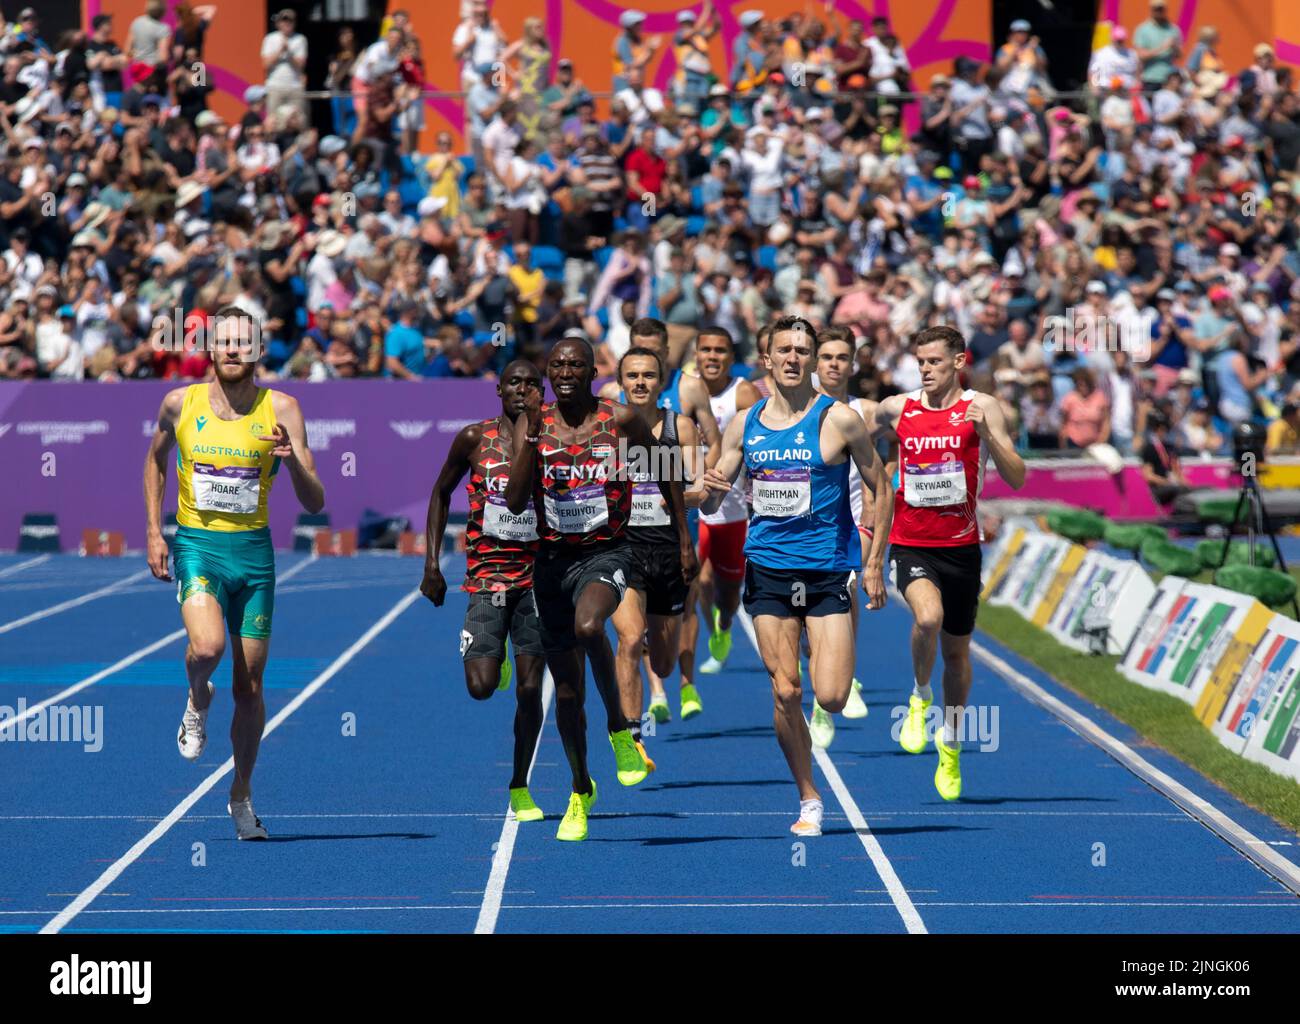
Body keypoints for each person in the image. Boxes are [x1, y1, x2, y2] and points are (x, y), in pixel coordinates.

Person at [700, 316, 891, 837]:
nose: (793, 358)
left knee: (829, 695)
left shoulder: (841, 419)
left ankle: (828, 656)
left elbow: (882, 483)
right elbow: (714, 495)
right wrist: (708, 486)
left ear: (811, 360)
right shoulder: (746, 422)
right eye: (783, 349)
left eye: (802, 351)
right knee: (786, 691)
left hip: (828, 571)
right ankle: (809, 796)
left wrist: (874, 564)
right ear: (767, 360)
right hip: (767, 570)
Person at [503, 337, 698, 841]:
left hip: (606, 553)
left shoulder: (621, 419)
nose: (565, 371)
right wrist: (527, 439)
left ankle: (620, 729)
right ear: (548, 372)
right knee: (566, 694)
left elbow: (668, 468)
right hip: (550, 562)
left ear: (593, 371)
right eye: (557, 364)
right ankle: (578, 788)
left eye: (576, 364)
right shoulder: (533, 423)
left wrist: (682, 539)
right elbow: (517, 498)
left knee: (591, 625)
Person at [144, 307, 325, 839]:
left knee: (249, 688)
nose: (232, 351)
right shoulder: (180, 403)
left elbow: (315, 502)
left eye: (242, 343)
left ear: (258, 350)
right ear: (210, 348)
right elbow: (154, 461)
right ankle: (197, 698)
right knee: (207, 649)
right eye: (223, 342)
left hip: (254, 555)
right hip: (198, 545)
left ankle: (241, 792)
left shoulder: (284, 408)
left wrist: (292, 460)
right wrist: (154, 532)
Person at [871, 325, 1025, 801]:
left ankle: (951, 744)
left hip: (961, 548)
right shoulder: (898, 408)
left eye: (934, 362)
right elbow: (858, 427)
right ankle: (920, 696)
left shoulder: (982, 407)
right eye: (919, 362)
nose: (925, 370)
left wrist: (987, 435)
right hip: (911, 543)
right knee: (927, 617)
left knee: (958, 656)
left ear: (958, 363)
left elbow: (1017, 476)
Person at [421, 359, 548, 823]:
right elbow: (440, 491)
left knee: (532, 690)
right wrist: (432, 564)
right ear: (498, 389)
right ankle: (497, 663)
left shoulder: (552, 441)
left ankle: (519, 785)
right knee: (481, 687)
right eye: (514, 382)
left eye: (532, 384)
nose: (522, 390)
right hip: (487, 579)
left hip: (538, 580)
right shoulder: (474, 439)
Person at [610, 347, 705, 768]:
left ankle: (654, 637)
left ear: (661, 382)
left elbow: (698, 489)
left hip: (669, 549)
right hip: (624, 548)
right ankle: (629, 739)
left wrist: (683, 495)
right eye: (632, 376)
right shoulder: (608, 429)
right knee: (629, 638)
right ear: (621, 381)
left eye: (649, 375)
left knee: (664, 665)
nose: (641, 383)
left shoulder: (680, 428)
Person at [806, 325, 876, 745]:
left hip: (851, 525)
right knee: (805, 625)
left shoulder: (867, 412)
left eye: (841, 358)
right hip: (802, 529)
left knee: (845, 590)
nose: (834, 365)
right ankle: (828, 674)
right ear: (816, 363)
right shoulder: (801, 410)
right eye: (827, 357)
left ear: (852, 364)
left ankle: (838, 686)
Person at [693, 325, 760, 678]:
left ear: (731, 358)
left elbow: (760, 441)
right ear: (697, 354)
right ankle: (714, 632)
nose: (713, 357)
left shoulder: (743, 393)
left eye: (720, 351)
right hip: (693, 506)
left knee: (729, 591)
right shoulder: (687, 390)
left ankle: (725, 621)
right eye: (706, 350)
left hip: (731, 509)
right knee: (699, 581)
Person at [1140, 411, 1191, 507]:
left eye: (1165, 429)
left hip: (1172, 484)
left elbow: (1177, 473)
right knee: (1178, 489)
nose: (1163, 432)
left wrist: (1189, 486)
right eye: (1160, 428)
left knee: (1198, 490)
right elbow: (1148, 476)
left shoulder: (1170, 448)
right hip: (1159, 489)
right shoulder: (1149, 448)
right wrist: (1167, 482)